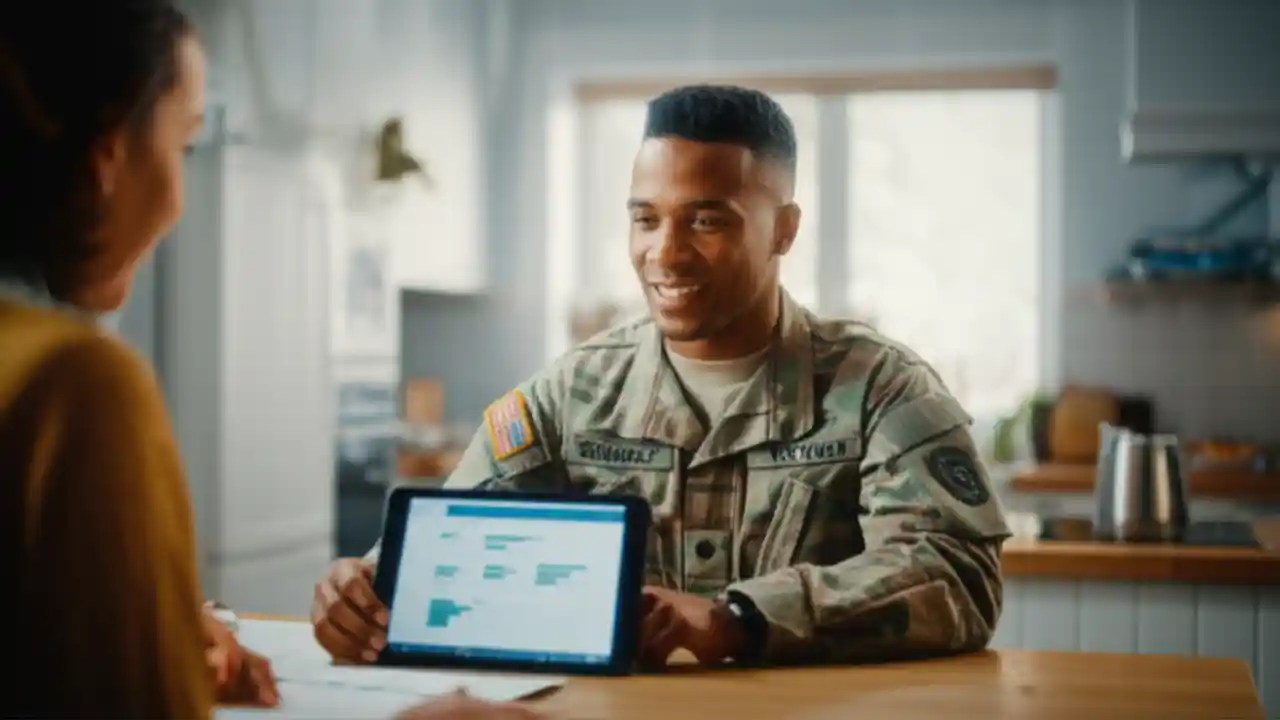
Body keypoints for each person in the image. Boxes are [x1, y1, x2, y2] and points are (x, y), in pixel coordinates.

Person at [313, 84, 1012, 668]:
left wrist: (741, 619)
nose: (665, 255)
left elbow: (958, 575)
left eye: (706, 220)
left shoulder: (882, 387)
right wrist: (369, 586)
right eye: (645, 220)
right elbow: (451, 541)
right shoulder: (571, 392)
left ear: (785, 231)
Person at [0, 3, 540, 718]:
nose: (181, 202)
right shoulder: (72, 386)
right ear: (107, 155)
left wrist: (162, 628)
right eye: (184, 145)